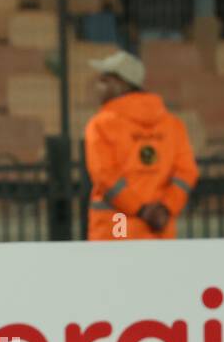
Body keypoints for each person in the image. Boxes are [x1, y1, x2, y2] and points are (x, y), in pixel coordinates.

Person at [84, 50, 198, 241]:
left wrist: (142, 210)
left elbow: (105, 176)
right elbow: (187, 173)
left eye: (104, 80)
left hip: (115, 229)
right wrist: (165, 209)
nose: (97, 87)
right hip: (158, 229)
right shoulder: (173, 125)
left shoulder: (101, 124)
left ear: (121, 84)